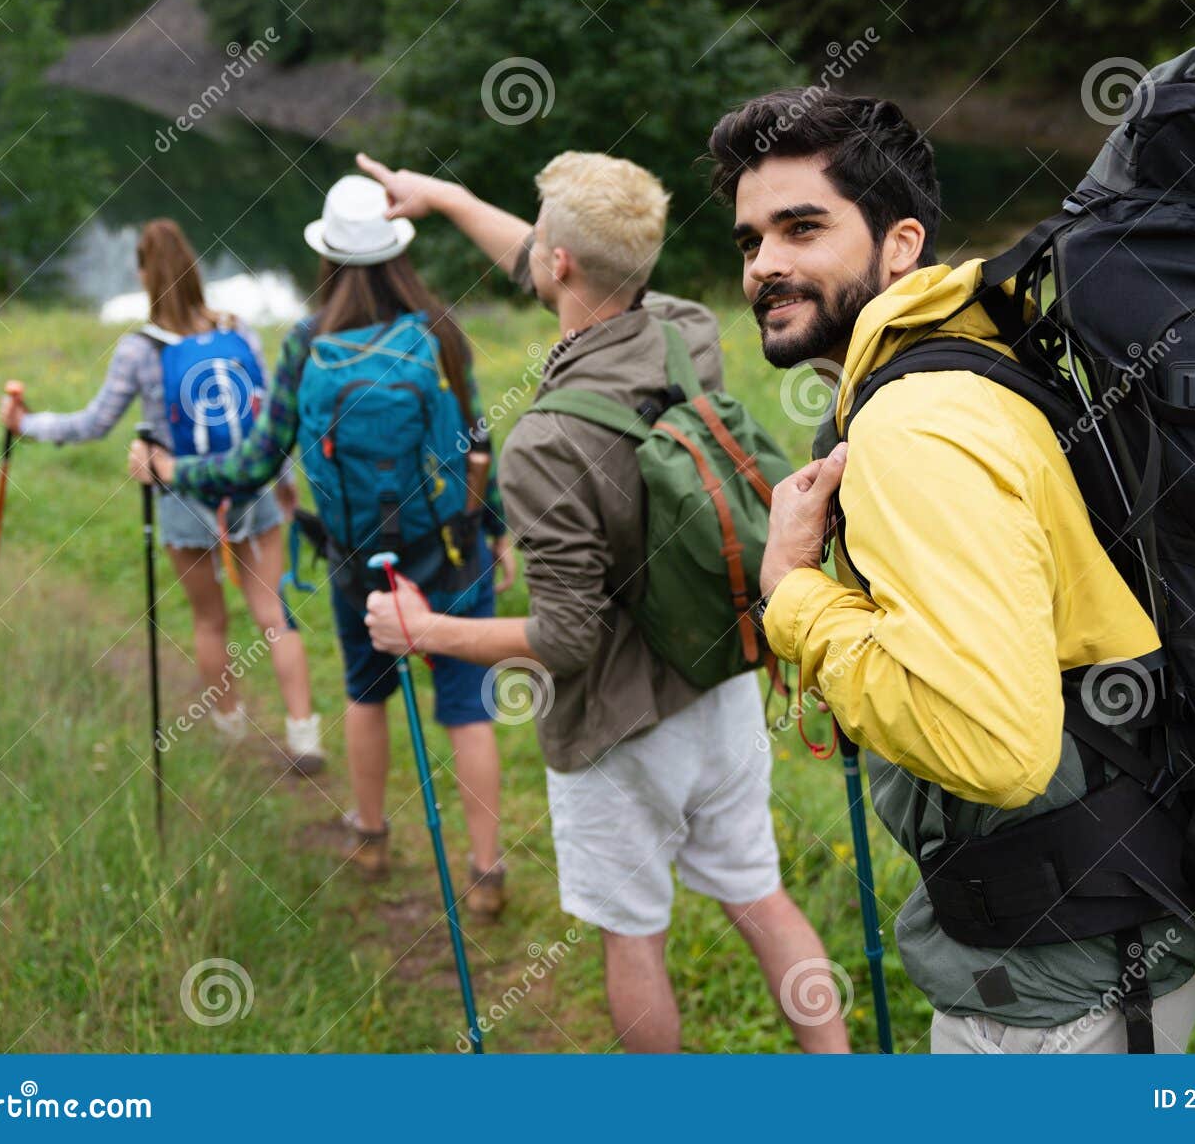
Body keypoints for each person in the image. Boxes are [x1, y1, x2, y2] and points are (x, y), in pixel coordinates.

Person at [706, 90, 1195, 1053]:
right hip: (1118, 906)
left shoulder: (918, 421)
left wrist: (794, 592)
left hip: (1056, 971)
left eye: (801, 226)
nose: (765, 262)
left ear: (901, 244)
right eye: (748, 241)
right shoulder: (978, 359)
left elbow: (993, 748)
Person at [354, 149, 850, 1054]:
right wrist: (451, 195)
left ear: (561, 263)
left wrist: (426, 629)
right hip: (722, 682)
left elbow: (569, 640)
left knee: (633, 934)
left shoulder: (544, 442)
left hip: (620, 726)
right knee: (759, 895)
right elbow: (555, 263)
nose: (537, 252)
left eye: (546, 242)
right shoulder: (686, 329)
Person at [127, 178, 513, 916]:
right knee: (468, 707)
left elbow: (257, 461)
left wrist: (177, 469)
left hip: (354, 555)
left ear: (328, 257)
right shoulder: (439, 330)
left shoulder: (306, 342)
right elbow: (475, 447)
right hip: (450, 549)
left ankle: (369, 836)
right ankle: (485, 872)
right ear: (398, 251)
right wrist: (491, 529)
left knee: (366, 693)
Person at [1, 218, 324, 772]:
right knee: (274, 614)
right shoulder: (239, 329)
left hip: (183, 497)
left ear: (144, 274)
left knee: (210, 622)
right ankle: (305, 735)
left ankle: (230, 730)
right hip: (251, 486)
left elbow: (94, 423)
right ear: (195, 267)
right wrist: (287, 483)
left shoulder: (139, 350)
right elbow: (271, 417)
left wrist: (26, 424)